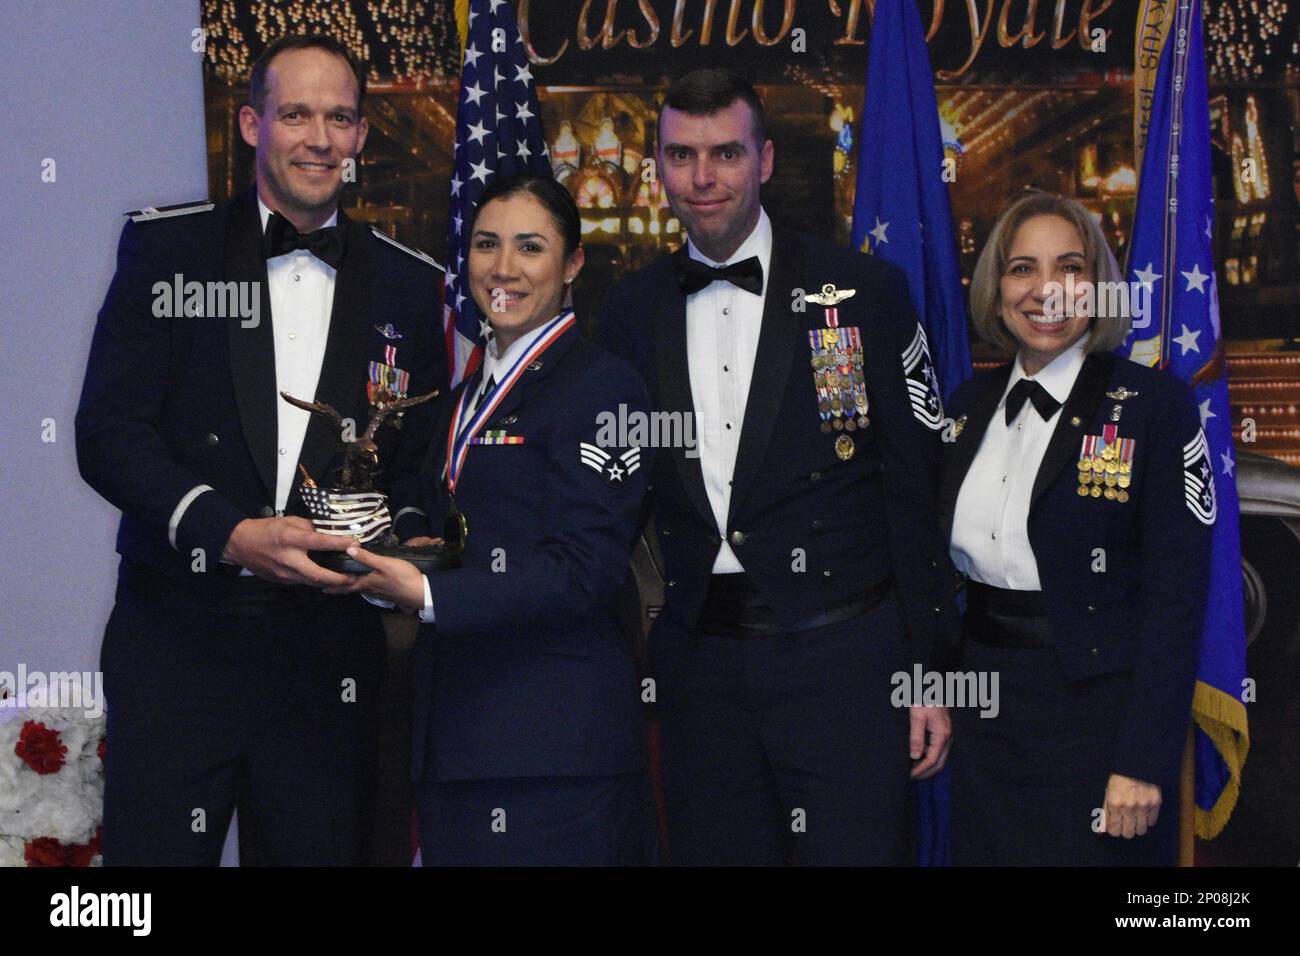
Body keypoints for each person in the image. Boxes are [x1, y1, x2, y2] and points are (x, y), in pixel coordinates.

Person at [75, 34, 447, 865]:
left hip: (327, 662)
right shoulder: (169, 251)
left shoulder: (408, 284)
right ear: (251, 124)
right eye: (297, 115)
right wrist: (229, 534)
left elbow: (414, 462)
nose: (320, 138)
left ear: (358, 139)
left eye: (340, 118)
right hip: (178, 642)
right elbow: (108, 434)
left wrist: (406, 542)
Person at [596, 69, 959, 866]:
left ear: (763, 160)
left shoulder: (865, 292)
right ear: (656, 165)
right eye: (681, 155)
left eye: (725, 153)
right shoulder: (627, 311)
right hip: (700, 672)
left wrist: (930, 669)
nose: (702, 177)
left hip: (846, 661)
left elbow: (913, 485)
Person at [334, 173, 654, 866]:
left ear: (572, 265)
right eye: (486, 245)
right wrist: (413, 544)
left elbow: (585, 570)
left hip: (555, 753)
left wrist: (425, 592)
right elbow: (430, 493)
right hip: (455, 741)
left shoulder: (605, 387)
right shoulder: (461, 397)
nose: (503, 268)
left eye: (529, 247)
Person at [941, 189, 1214, 865]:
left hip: (1098, 725)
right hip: (983, 717)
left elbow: (1176, 602)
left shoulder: (1153, 408)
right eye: (1022, 268)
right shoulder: (966, 405)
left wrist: (1143, 760)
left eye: (1070, 267)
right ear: (996, 288)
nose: (1046, 290)